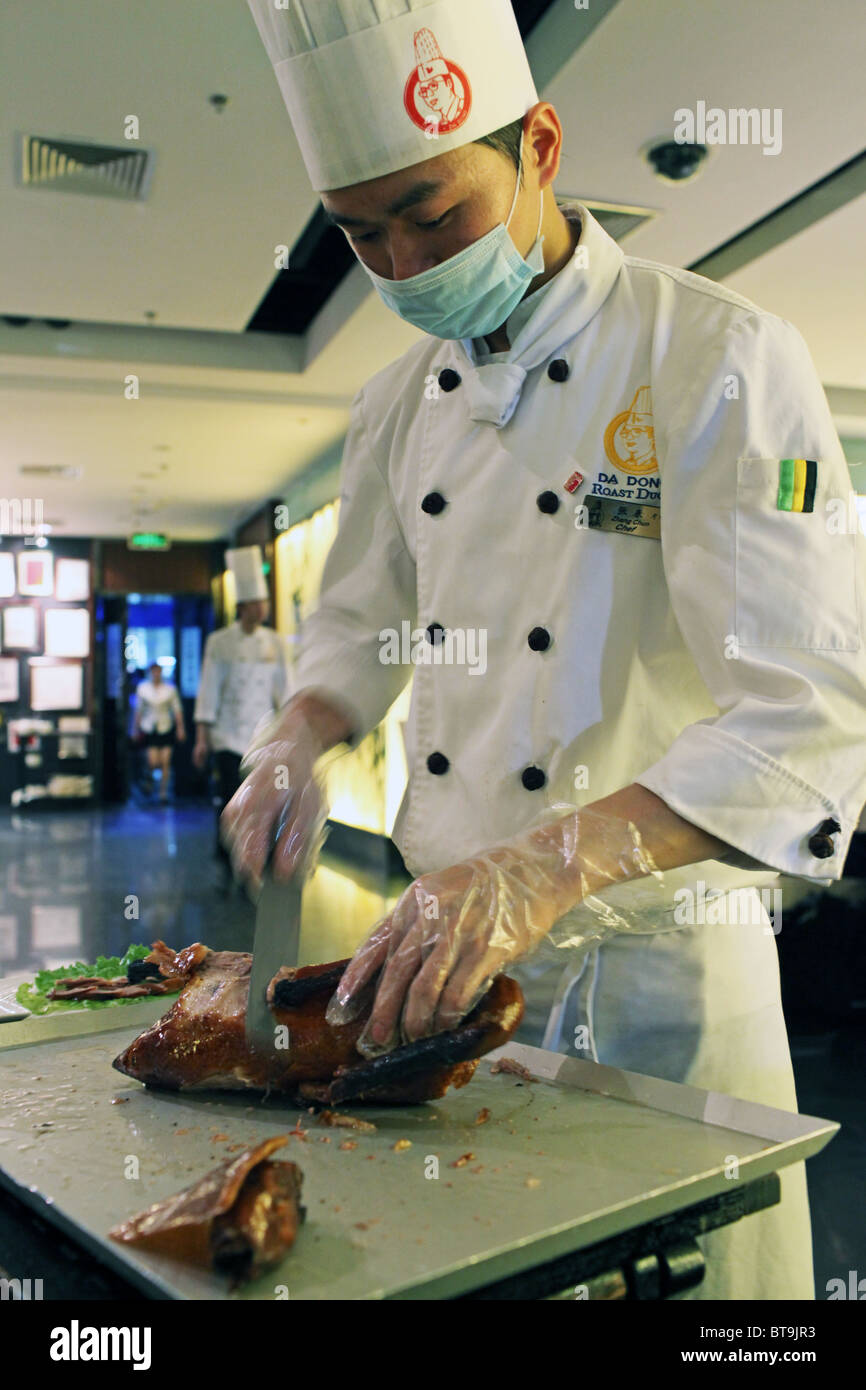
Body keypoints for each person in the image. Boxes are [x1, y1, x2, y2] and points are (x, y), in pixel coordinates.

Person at [226, 0, 866, 1298]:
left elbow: (811, 712)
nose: (401, 259)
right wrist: (299, 731)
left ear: (542, 146)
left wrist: (546, 862)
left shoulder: (726, 357)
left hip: (658, 980)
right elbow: (357, 620)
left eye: (433, 211)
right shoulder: (395, 402)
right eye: (362, 233)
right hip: (443, 983)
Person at [193, 546, 290, 881]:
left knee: (262, 798)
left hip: (262, 735)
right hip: (228, 734)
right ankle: (225, 854)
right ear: (243, 607)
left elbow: (285, 689)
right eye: (257, 603)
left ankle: (257, 855)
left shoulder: (275, 643)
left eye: (264, 603)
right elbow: (209, 689)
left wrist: (290, 730)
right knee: (229, 798)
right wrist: (202, 738)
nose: (262, 609)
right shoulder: (220, 642)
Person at [132, 662, 185, 803]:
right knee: (153, 761)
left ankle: (163, 793)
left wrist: (180, 728)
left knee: (165, 761)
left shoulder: (170, 689)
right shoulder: (143, 688)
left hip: (165, 726)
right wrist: (135, 728)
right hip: (150, 727)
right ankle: (149, 780)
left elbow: (177, 709)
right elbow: (139, 710)